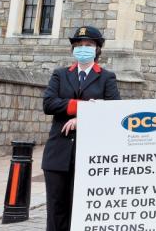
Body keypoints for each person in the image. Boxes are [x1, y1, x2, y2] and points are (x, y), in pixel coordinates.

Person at [42, 25, 121, 231]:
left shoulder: (107, 77)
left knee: (80, 210)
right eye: (79, 45)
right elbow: (49, 104)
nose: (83, 48)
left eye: (89, 45)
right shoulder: (60, 75)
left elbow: (114, 111)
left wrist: (83, 118)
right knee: (56, 210)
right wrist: (86, 107)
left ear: (97, 49)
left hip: (90, 156)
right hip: (57, 154)